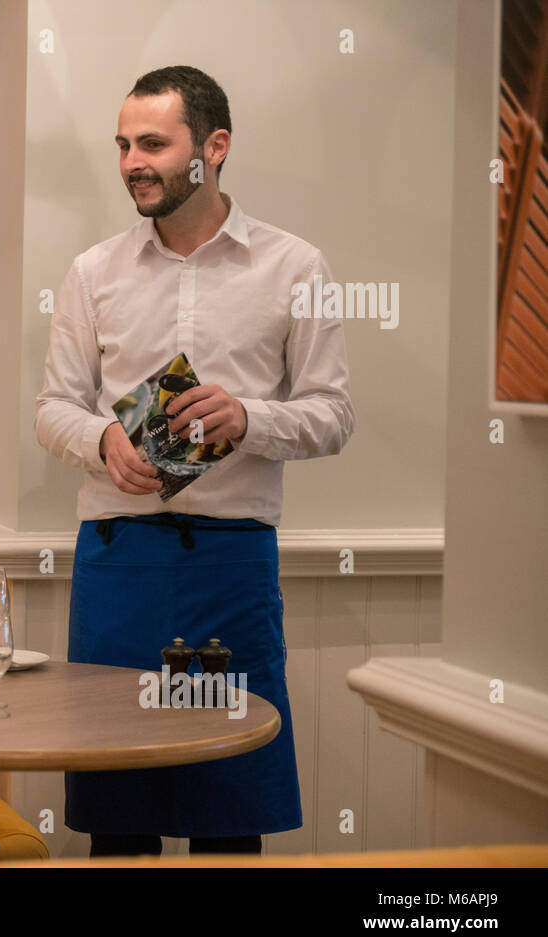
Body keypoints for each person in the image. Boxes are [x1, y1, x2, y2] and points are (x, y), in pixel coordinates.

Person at [34, 66, 355, 856]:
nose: (131, 162)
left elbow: (335, 414)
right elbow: (52, 409)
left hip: (229, 567)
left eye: (152, 143)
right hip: (116, 564)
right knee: (120, 813)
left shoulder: (296, 267)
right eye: (123, 145)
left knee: (225, 811)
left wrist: (249, 418)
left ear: (214, 148)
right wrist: (100, 440)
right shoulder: (91, 272)